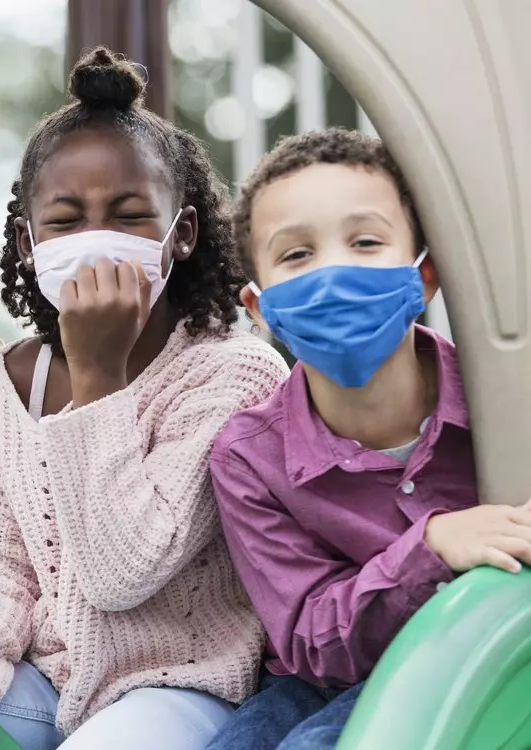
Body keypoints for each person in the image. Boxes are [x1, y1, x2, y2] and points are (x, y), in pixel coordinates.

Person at [0, 47, 289, 750]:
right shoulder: (5, 385)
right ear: (29, 244)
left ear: (181, 233)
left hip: (178, 686)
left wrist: (98, 380)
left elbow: (123, 573)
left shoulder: (234, 375)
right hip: (43, 679)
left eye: (128, 216)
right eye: (66, 220)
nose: (96, 241)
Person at [204, 128, 531, 750]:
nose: (333, 271)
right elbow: (308, 642)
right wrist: (430, 547)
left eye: (366, 242)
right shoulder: (249, 456)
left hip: (482, 650)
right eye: (296, 255)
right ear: (259, 307)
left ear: (425, 276)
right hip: (323, 680)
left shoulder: (507, 404)